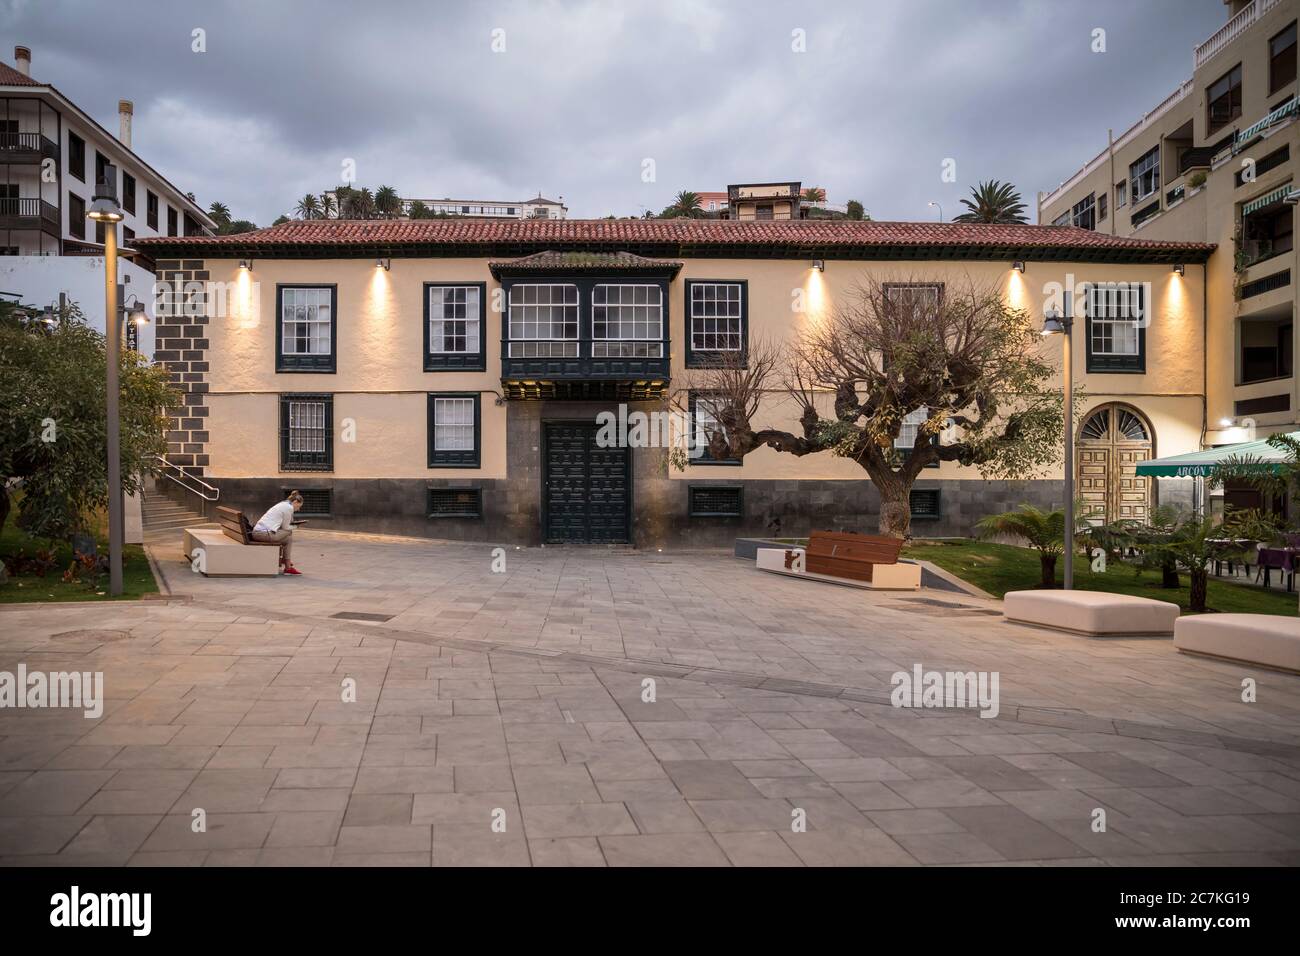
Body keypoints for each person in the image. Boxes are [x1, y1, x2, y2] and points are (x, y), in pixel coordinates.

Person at [251, 490, 304, 575]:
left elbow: (282, 525)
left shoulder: (282, 504)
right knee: (289, 532)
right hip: (264, 534)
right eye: (299, 506)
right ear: (295, 502)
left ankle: (287, 566)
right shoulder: (288, 508)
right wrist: (297, 526)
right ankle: (286, 564)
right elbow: (286, 527)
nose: (299, 509)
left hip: (258, 533)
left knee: (288, 539)